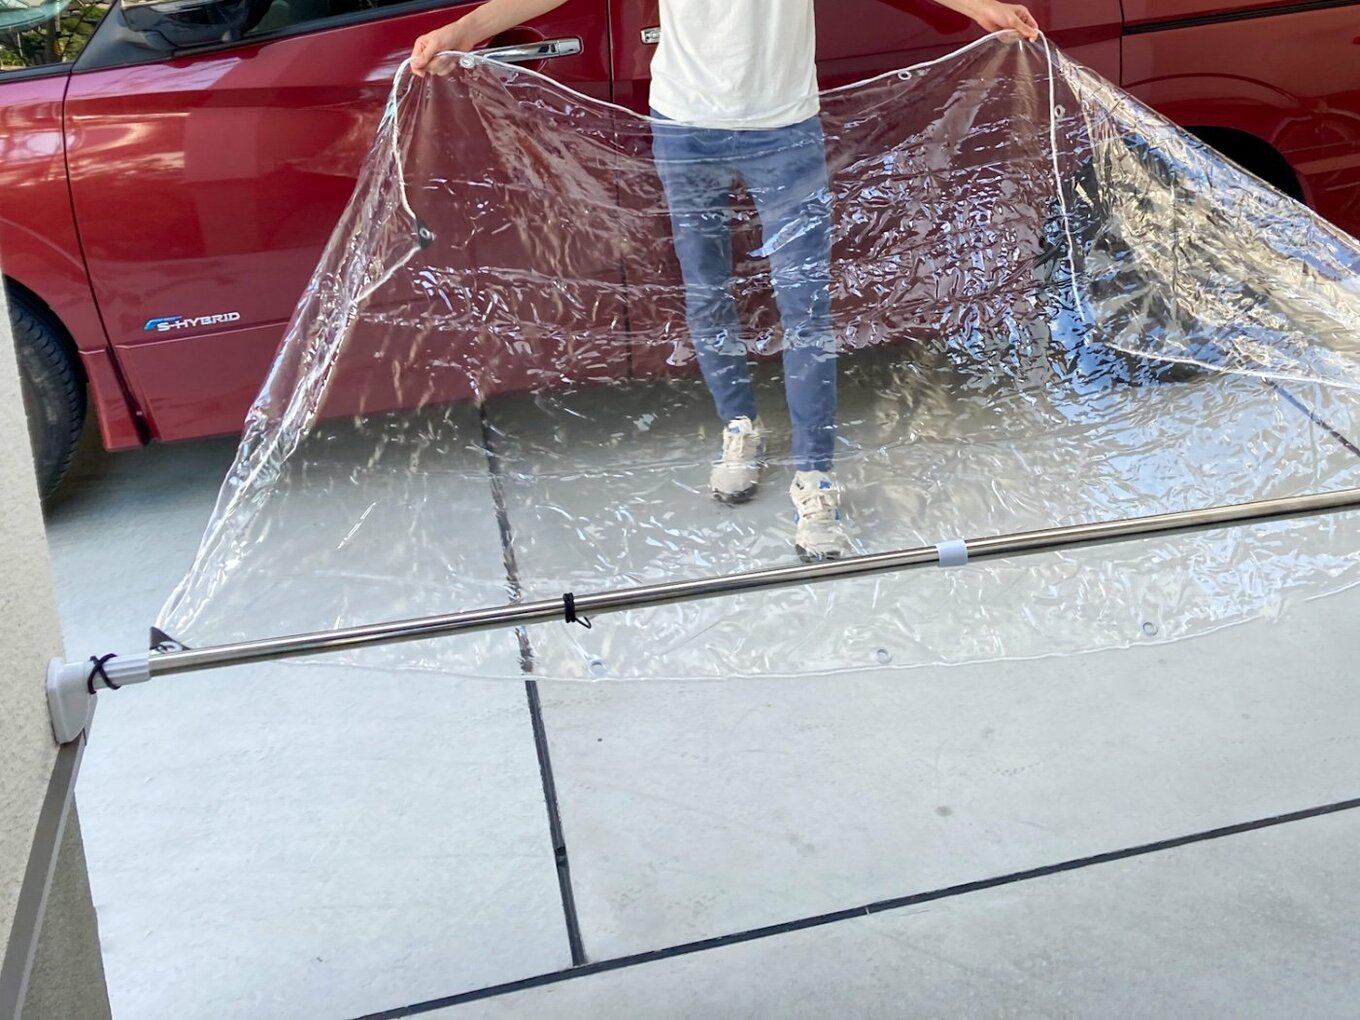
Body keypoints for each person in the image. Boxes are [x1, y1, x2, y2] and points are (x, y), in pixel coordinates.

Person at [413, 0, 1039, 561]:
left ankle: (815, 476)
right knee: (706, 291)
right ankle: (740, 426)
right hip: (685, 128)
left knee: (806, 308)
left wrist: (979, 7)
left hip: (785, 131)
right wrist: (463, 30)